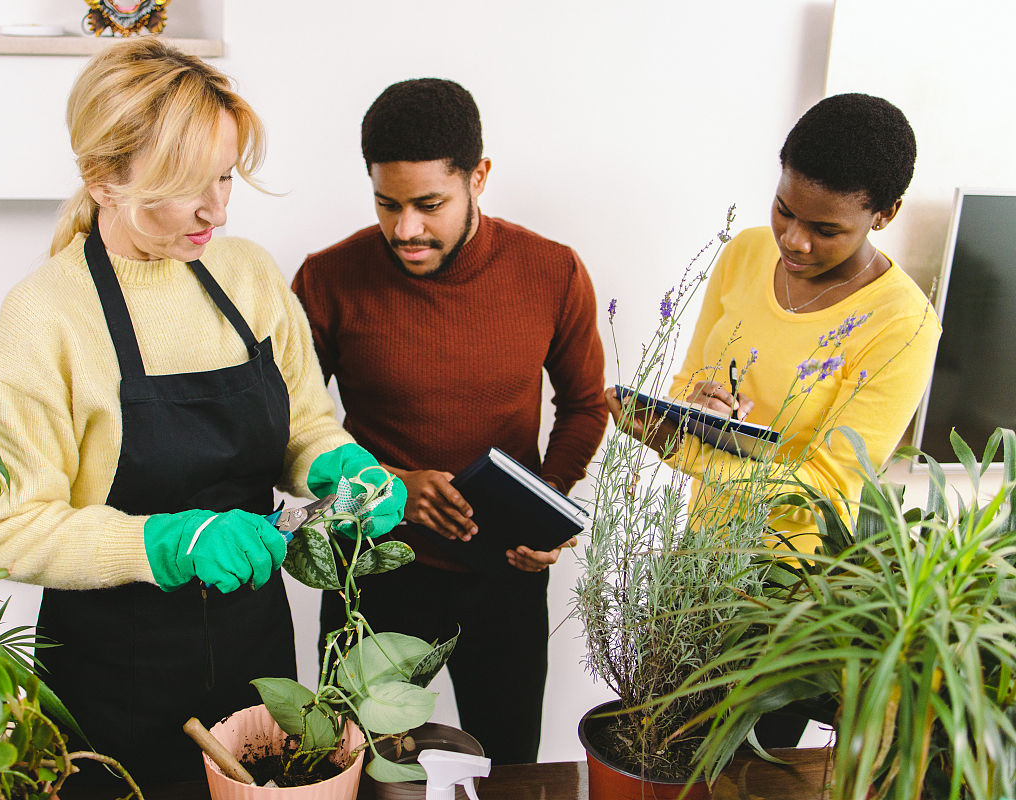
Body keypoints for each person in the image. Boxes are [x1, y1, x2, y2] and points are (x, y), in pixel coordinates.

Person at [0, 39, 404, 793]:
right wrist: (168, 543)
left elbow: (304, 423)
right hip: (114, 674)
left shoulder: (249, 276)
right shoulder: (44, 319)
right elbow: (8, 529)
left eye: (226, 176)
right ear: (103, 178)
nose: (217, 209)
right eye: (183, 186)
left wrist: (338, 463)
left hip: (256, 655)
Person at [607, 93, 941, 744]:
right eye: (785, 210)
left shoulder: (903, 326)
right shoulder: (746, 254)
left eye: (826, 229)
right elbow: (687, 379)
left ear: (886, 213)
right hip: (695, 565)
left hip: (782, 605)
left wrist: (683, 450)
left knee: (738, 776)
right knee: (658, 751)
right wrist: (696, 405)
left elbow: (826, 491)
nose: (794, 239)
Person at [292, 78, 607, 765]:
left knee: (509, 768)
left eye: (429, 205)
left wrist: (544, 511)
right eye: (387, 203)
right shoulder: (327, 279)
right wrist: (391, 482)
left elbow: (585, 404)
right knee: (352, 767)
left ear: (479, 178)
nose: (406, 229)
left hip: (506, 572)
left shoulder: (551, 271)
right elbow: (291, 432)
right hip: (373, 571)